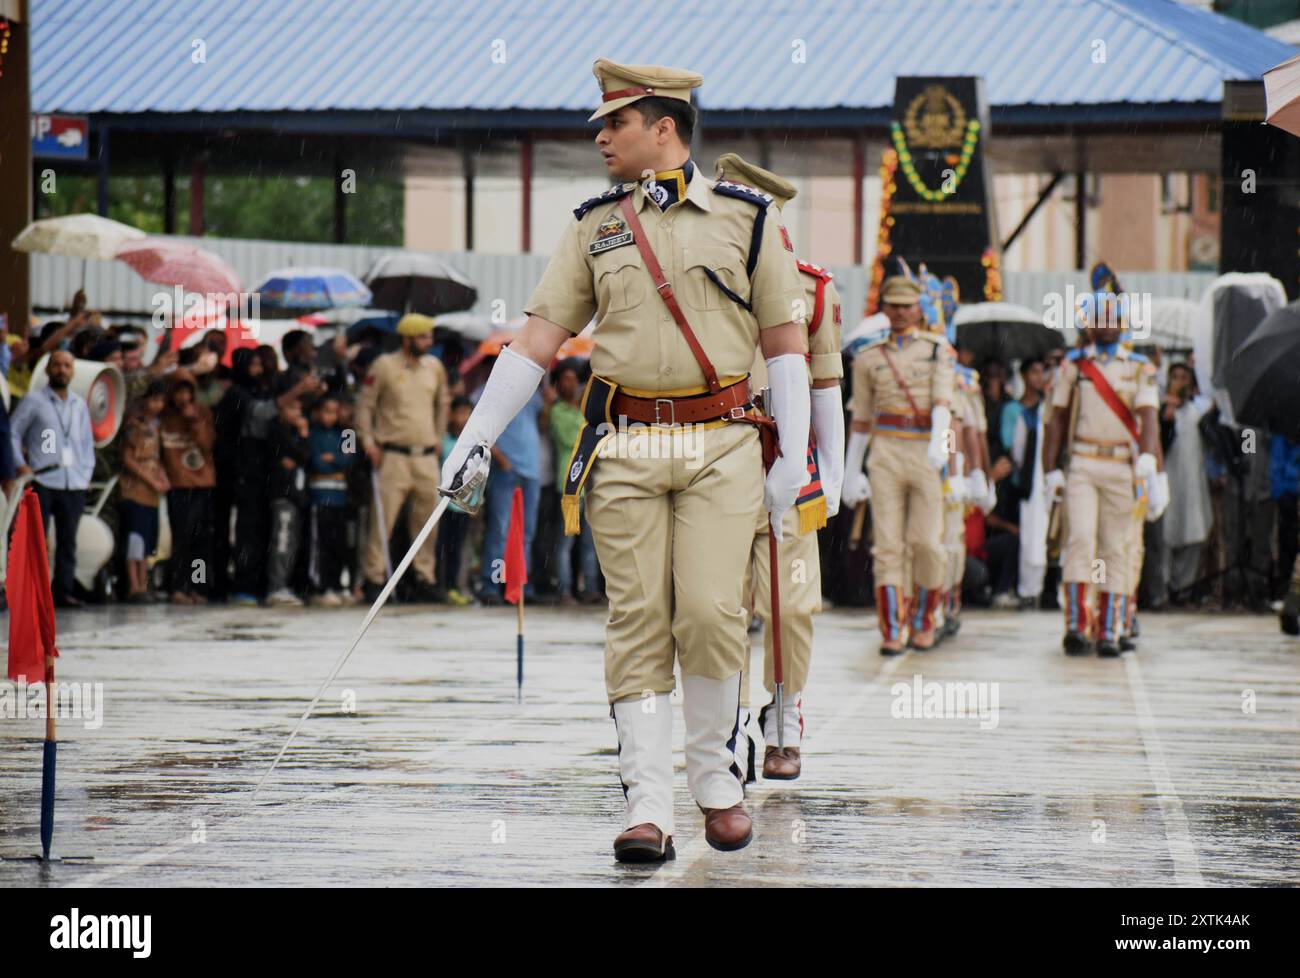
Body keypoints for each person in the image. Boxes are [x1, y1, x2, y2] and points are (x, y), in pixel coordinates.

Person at [440, 59, 809, 861]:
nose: (603, 138)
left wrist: (796, 462)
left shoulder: (749, 220)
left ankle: (714, 776)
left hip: (722, 443)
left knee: (711, 612)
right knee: (637, 621)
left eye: (616, 124)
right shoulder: (593, 225)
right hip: (627, 444)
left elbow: (786, 346)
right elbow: (536, 341)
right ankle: (647, 805)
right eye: (601, 127)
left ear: (664, 127)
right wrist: (475, 436)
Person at [712, 153, 845, 783]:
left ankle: (785, 713)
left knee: (791, 606)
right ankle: (730, 725)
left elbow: (825, 388)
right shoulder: (704, 279)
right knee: (718, 608)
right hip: (715, 460)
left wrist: (835, 476)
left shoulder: (812, 287)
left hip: (789, 467)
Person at [1041, 293, 1165, 656]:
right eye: (1098, 318)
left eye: (1112, 318)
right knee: (1080, 539)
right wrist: (1051, 471)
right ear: (1088, 324)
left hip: (1121, 466)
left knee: (1116, 546)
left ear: (1123, 323)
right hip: (1083, 460)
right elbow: (1057, 419)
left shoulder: (1140, 367)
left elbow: (1149, 416)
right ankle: (1078, 624)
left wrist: (1149, 460)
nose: (1105, 325)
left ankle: (1109, 627)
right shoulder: (1074, 366)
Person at [842, 273, 955, 653]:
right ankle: (893, 628)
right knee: (887, 545)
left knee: (926, 543)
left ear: (919, 309)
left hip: (924, 449)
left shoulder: (938, 350)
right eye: (894, 305)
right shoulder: (869, 356)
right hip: (886, 450)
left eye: (908, 305)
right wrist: (850, 469)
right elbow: (860, 416)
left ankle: (924, 620)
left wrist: (941, 445)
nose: (902, 312)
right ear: (884, 309)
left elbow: (943, 404)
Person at [355, 313, 450, 604]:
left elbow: (443, 403)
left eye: (430, 337)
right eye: (423, 337)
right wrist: (368, 442)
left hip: (425, 456)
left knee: (427, 522)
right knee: (382, 519)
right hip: (392, 454)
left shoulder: (434, 367)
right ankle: (373, 578)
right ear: (407, 338)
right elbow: (365, 405)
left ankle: (424, 578)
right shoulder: (383, 366)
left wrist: (438, 437)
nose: (428, 342)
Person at [9, 350, 97, 607]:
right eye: (56, 365)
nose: (61, 370)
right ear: (47, 370)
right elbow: (14, 433)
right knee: (38, 539)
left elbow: (86, 443)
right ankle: (34, 590)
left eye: (67, 366)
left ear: (73, 371)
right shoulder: (34, 401)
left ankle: (63, 591)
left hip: (74, 481)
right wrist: (20, 464)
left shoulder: (79, 404)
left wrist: (86, 472)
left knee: (68, 541)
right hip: (44, 478)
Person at [476, 361, 544, 606]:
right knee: (500, 530)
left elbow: (543, 424)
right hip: (506, 471)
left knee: (526, 532)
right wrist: (502, 460)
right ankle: (491, 585)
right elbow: (479, 430)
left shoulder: (534, 391)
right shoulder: (488, 391)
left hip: (531, 470)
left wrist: (549, 395)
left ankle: (518, 585)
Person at [160, 369, 217, 605]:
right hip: (178, 484)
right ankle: (178, 587)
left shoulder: (202, 413)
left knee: (201, 539)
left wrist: (193, 421)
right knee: (181, 538)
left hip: (203, 483)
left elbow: (206, 445)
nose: (183, 397)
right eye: (178, 392)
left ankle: (198, 586)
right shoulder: (164, 417)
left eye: (187, 392)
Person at [1159, 362, 1213, 605]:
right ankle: (1163, 586)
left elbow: (1223, 440)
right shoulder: (1159, 411)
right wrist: (1167, 418)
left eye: (1184, 377)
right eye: (1176, 377)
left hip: (1192, 482)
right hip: (1169, 480)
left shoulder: (1198, 412)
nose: (1180, 382)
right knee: (1165, 535)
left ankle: (1184, 587)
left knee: (1193, 531)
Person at [549, 360, 600, 606]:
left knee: (590, 544)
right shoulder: (558, 411)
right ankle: (564, 590)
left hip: (590, 485)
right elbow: (576, 440)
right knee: (565, 543)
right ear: (558, 384)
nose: (571, 384)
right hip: (568, 484)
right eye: (565, 379)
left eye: (574, 379)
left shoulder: (585, 411)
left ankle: (591, 590)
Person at [117, 379, 169, 603]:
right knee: (135, 540)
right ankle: (134, 585)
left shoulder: (156, 426)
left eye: (161, 400)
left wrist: (163, 478)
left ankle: (144, 585)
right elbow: (127, 458)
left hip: (151, 492)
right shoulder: (134, 425)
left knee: (148, 540)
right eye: (154, 399)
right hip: (134, 489)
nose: (158, 405)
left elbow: (157, 458)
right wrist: (151, 479)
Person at [307, 393, 355, 606]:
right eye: (327, 411)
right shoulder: (312, 433)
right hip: (320, 494)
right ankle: (322, 586)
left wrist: (333, 459)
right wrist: (334, 461)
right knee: (322, 544)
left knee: (339, 544)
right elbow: (316, 462)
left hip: (340, 496)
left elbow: (348, 460)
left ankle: (336, 584)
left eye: (335, 412)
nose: (332, 416)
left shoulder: (346, 433)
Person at [266, 397, 312, 607]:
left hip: (296, 496)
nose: (297, 414)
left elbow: (304, 456)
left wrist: (301, 439)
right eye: (293, 408)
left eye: (299, 409)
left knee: (292, 542)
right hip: (283, 496)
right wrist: (301, 439)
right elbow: (296, 454)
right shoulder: (275, 430)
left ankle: (286, 584)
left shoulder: (294, 433)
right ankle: (276, 586)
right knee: (282, 541)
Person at [436, 396, 474, 606]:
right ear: (451, 415)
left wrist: (475, 502)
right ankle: (440, 586)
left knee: (457, 548)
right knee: (441, 546)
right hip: (443, 506)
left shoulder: (473, 444)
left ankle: (453, 586)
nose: (463, 418)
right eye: (459, 413)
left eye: (467, 413)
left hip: (462, 506)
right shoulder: (444, 441)